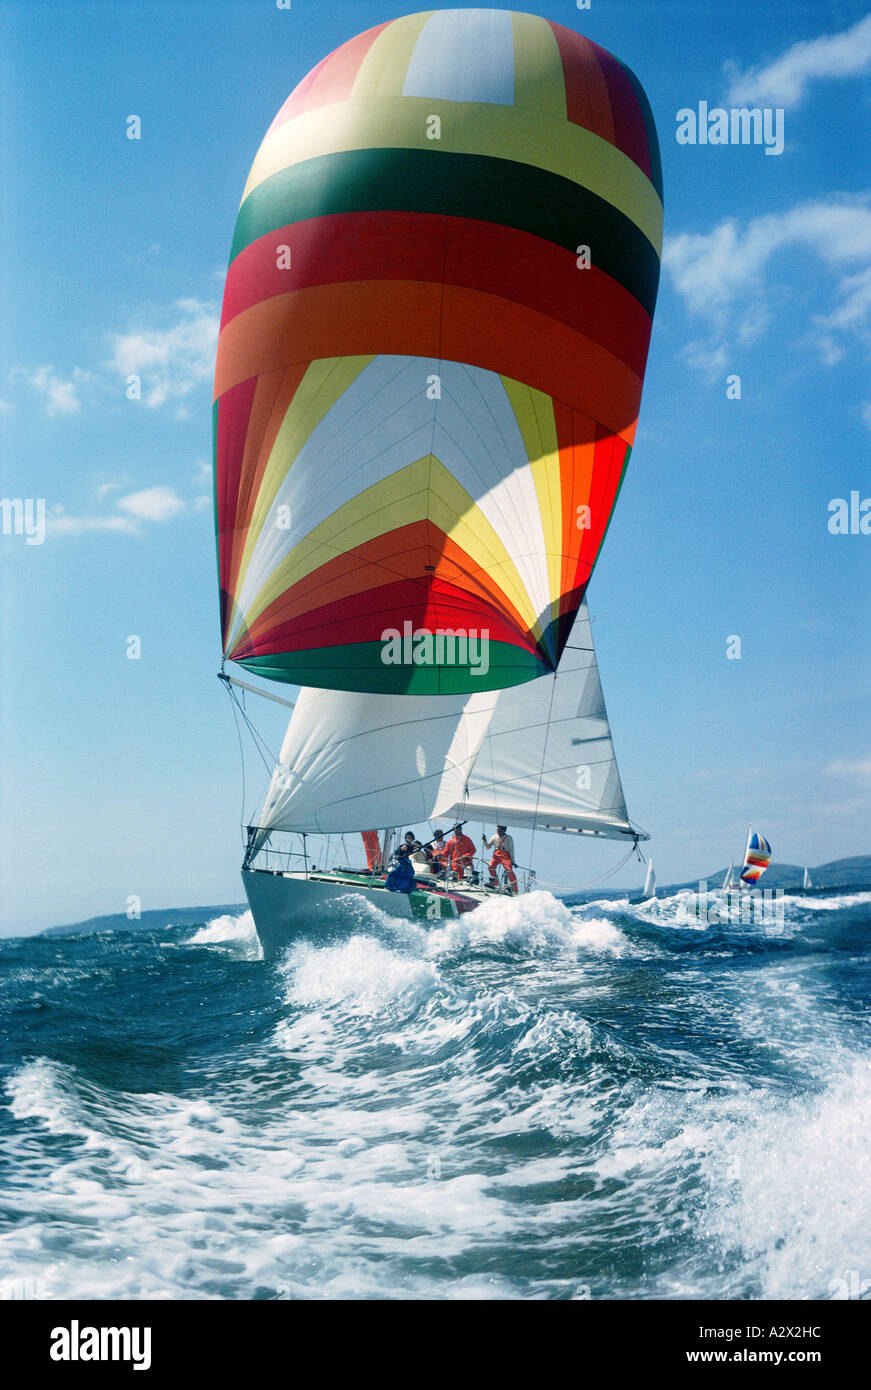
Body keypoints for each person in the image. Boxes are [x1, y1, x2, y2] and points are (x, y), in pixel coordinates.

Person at [483, 825, 517, 892]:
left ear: (504, 830)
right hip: (496, 854)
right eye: (497, 829)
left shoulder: (509, 838)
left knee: (509, 870)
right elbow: (488, 847)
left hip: (505, 854)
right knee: (491, 867)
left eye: (499, 829)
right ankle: (495, 884)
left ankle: (514, 888)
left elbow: (511, 850)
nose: (497, 831)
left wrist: (513, 861)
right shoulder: (494, 836)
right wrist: (484, 840)